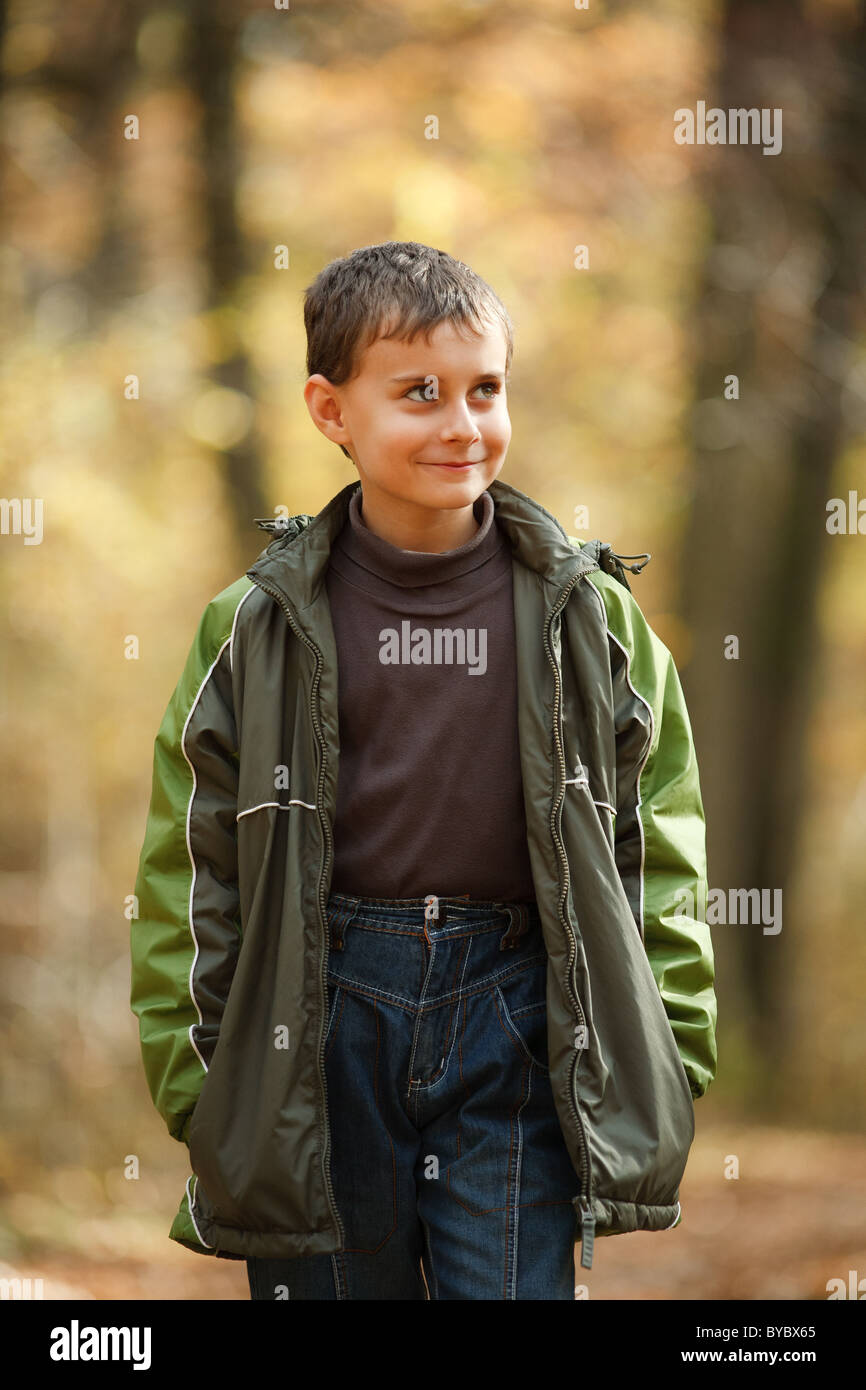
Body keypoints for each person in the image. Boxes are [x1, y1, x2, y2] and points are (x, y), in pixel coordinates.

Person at [130, 241, 717, 1301]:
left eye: (484, 388)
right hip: (317, 1017)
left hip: (517, 1017)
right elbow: (188, 863)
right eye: (419, 393)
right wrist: (205, 1086)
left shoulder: (587, 616)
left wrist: (666, 1044)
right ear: (330, 410)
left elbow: (658, 835)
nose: (461, 423)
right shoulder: (254, 625)